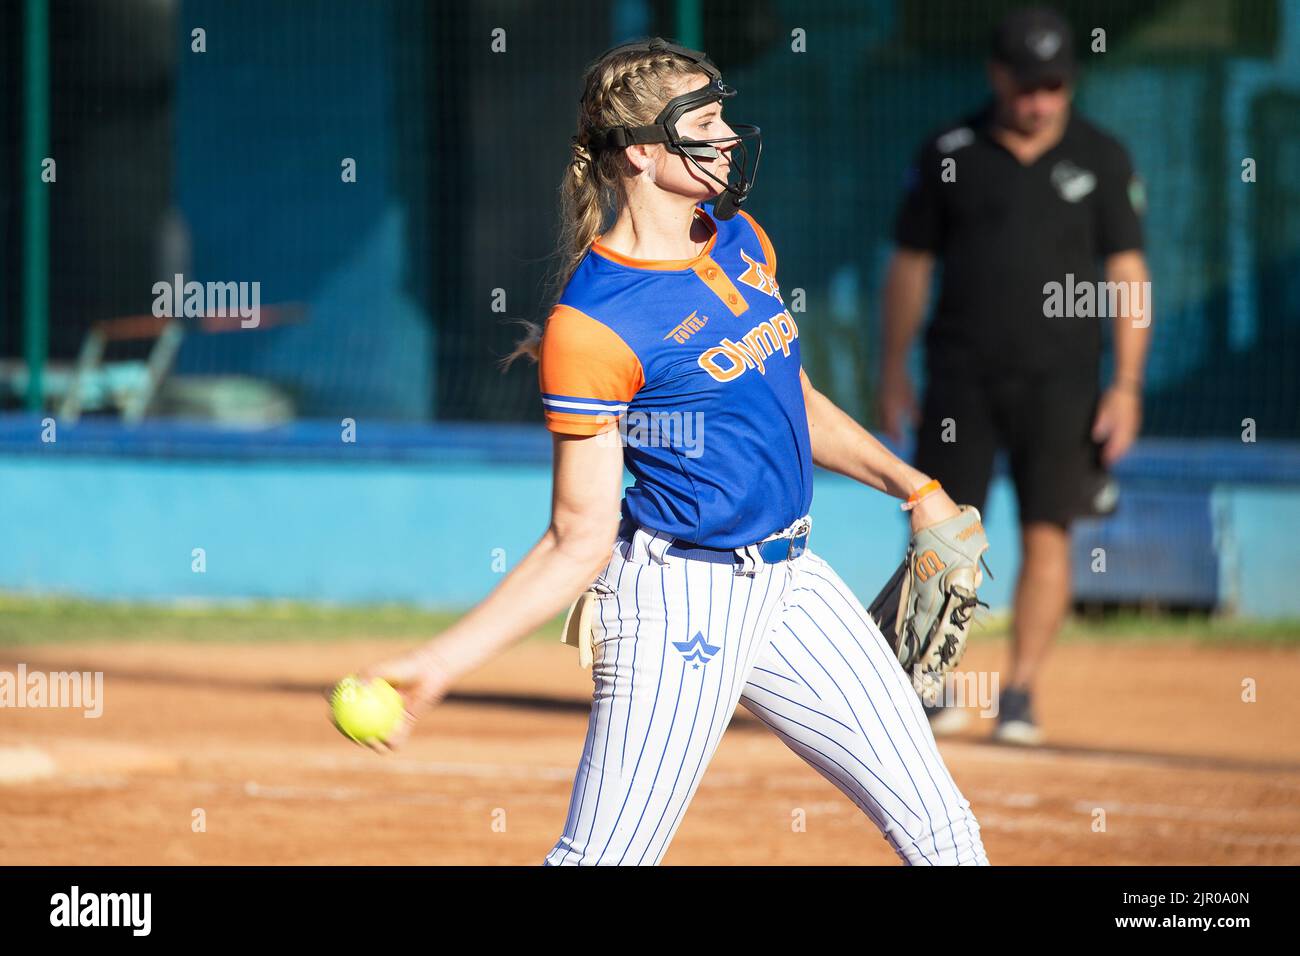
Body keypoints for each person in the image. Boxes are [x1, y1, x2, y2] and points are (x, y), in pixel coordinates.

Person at [364, 38, 988, 865]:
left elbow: (788, 395)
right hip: (676, 604)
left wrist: (916, 487)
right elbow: (575, 540)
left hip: (793, 581)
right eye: (704, 122)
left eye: (722, 114)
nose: (728, 136)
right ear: (640, 154)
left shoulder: (737, 237)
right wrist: (440, 664)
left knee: (940, 823)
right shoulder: (595, 325)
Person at [878, 7, 1152, 745]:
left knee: (1048, 534)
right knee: (940, 534)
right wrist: (892, 370)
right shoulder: (949, 151)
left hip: (1063, 386)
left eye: (1054, 85)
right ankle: (929, 686)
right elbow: (909, 267)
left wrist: (1125, 385)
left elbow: (1127, 276)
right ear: (997, 76)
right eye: (1027, 85)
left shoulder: (1103, 157)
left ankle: (1021, 694)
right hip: (959, 379)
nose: (1039, 101)